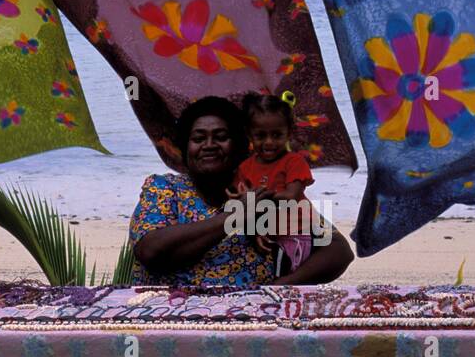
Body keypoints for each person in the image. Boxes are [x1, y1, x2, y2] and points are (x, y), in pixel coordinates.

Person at [129, 96, 353, 287]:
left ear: (240, 146)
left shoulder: (263, 192)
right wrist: (236, 217)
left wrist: (279, 288)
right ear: (185, 148)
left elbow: (338, 251)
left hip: (250, 325)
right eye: (198, 139)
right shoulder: (165, 188)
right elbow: (150, 251)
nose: (209, 145)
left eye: (221, 137)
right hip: (170, 325)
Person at [233, 92, 315, 274]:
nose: (269, 142)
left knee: (285, 278)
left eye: (277, 135)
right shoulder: (245, 168)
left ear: (289, 133)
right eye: (261, 136)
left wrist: (255, 198)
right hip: (266, 233)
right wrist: (254, 231)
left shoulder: (294, 162)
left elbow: (290, 197)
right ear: (249, 134)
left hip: (295, 234)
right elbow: (242, 205)